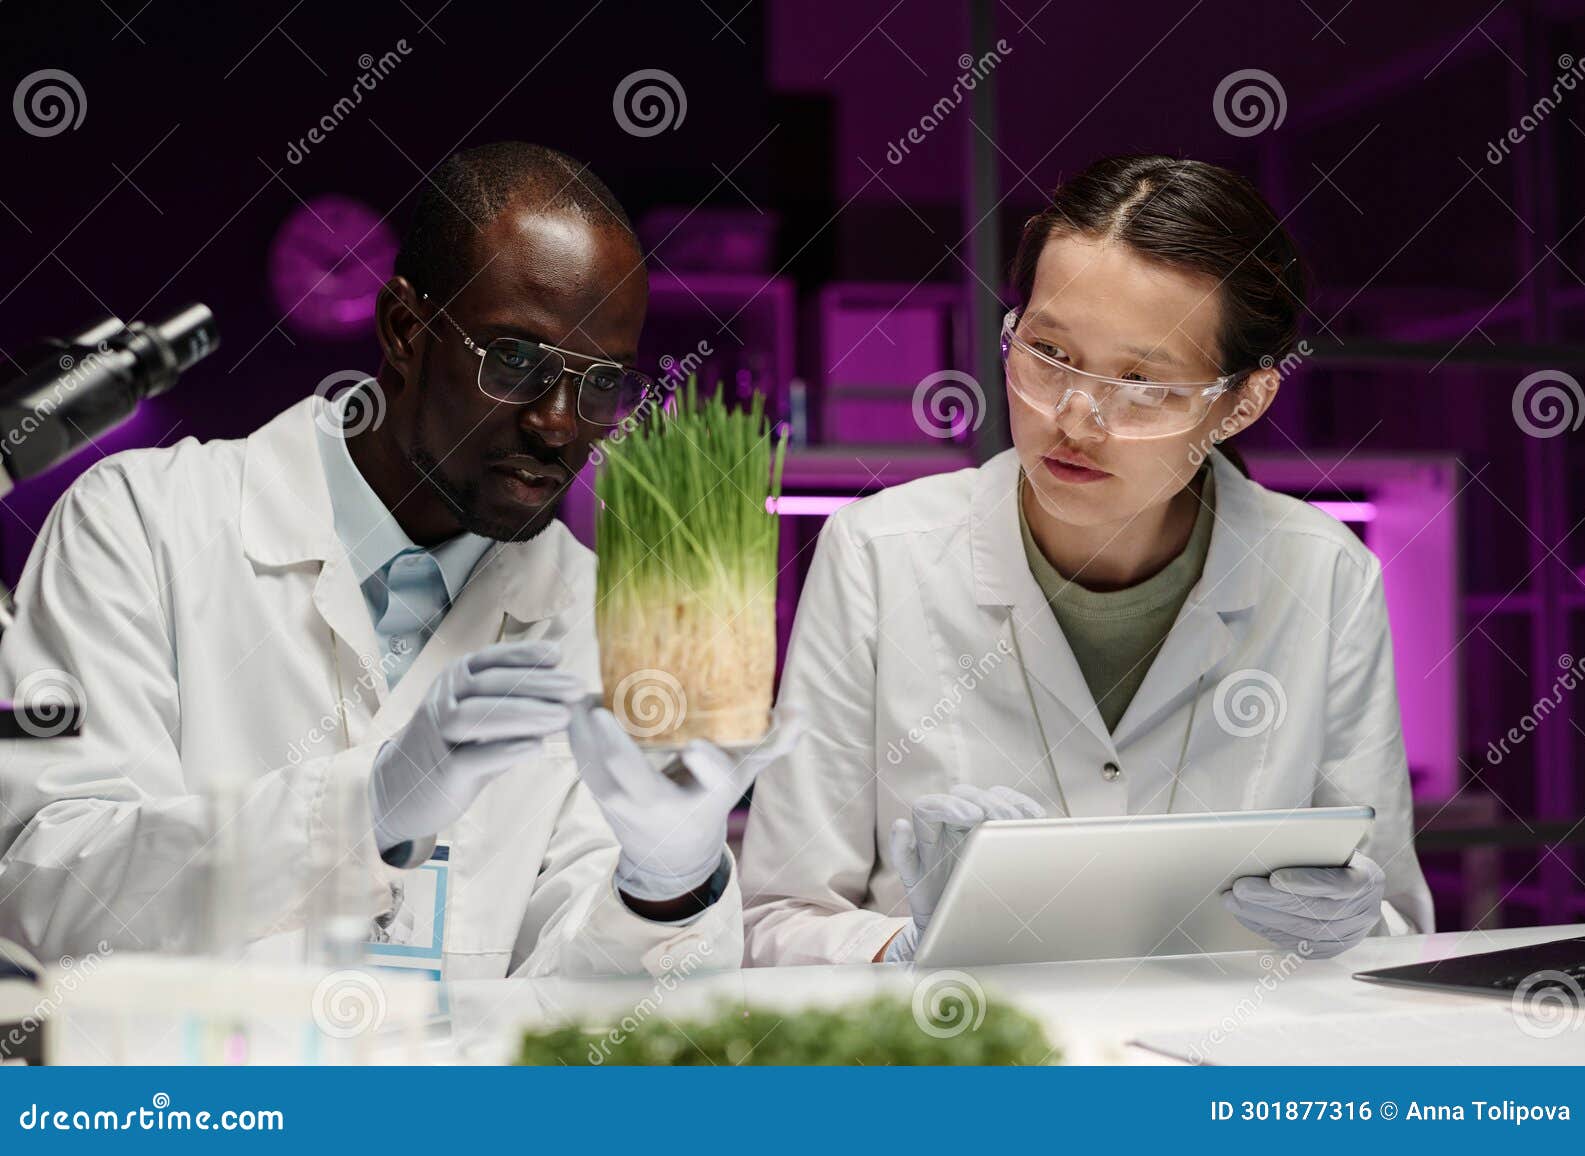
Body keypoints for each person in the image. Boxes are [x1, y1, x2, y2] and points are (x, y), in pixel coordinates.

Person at [0, 141, 794, 978]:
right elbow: (48, 886)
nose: (560, 424)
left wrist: (664, 888)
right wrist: (365, 810)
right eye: (517, 360)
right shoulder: (143, 523)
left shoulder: (593, 616)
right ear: (405, 329)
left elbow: (589, 1023)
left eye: (601, 382)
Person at [741, 154, 1434, 966]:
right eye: (1050, 353)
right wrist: (904, 950)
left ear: (1244, 400)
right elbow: (777, 917)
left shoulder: (1325, 575)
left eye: (1142, 382)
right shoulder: (878, 556)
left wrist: (1351, 925)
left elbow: (1388, 921)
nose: (1075, 417)